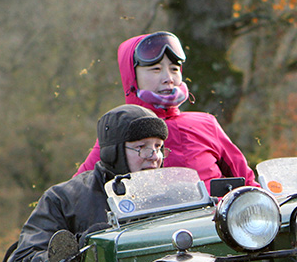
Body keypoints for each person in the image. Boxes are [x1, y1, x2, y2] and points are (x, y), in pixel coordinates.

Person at [5, 104, 168, 262]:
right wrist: (76, 251)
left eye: (158, 146)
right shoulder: (64, 199)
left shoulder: (172, 197)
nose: (154, 156)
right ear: (113, 152)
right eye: (142, 147)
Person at [73, 31, 259, 189]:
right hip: (151, 229)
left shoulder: (206, 124)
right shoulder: (117, 130)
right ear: (132, 77)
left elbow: (249, 185)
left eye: (174, 69)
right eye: (155, 69)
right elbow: (75, 196)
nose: (168, 78)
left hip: (213, 227)